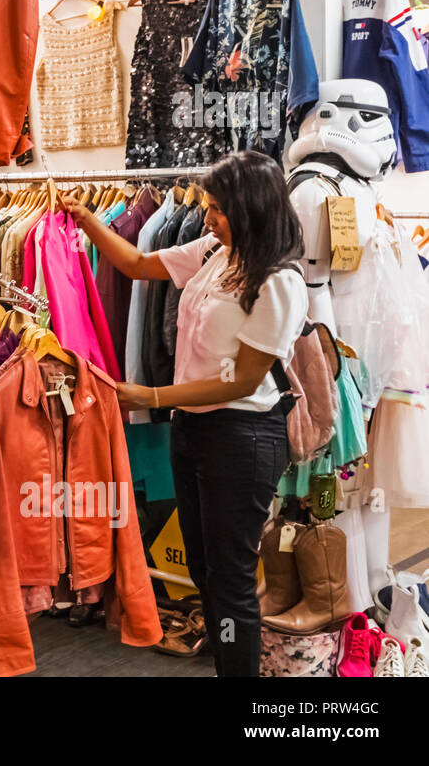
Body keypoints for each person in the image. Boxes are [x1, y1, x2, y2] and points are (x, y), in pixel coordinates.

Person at [60, 150, 308, 677]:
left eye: (218, 208)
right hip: (193, 428)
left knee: (230, 575)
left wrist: (151, 398)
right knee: (202, 566)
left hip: (242, 433)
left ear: (251, 209)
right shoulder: (218, 250)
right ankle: (227, 662)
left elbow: (241, 379)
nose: (208, 215)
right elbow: (137, 265)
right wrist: (86, 221)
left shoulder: (278, 282)